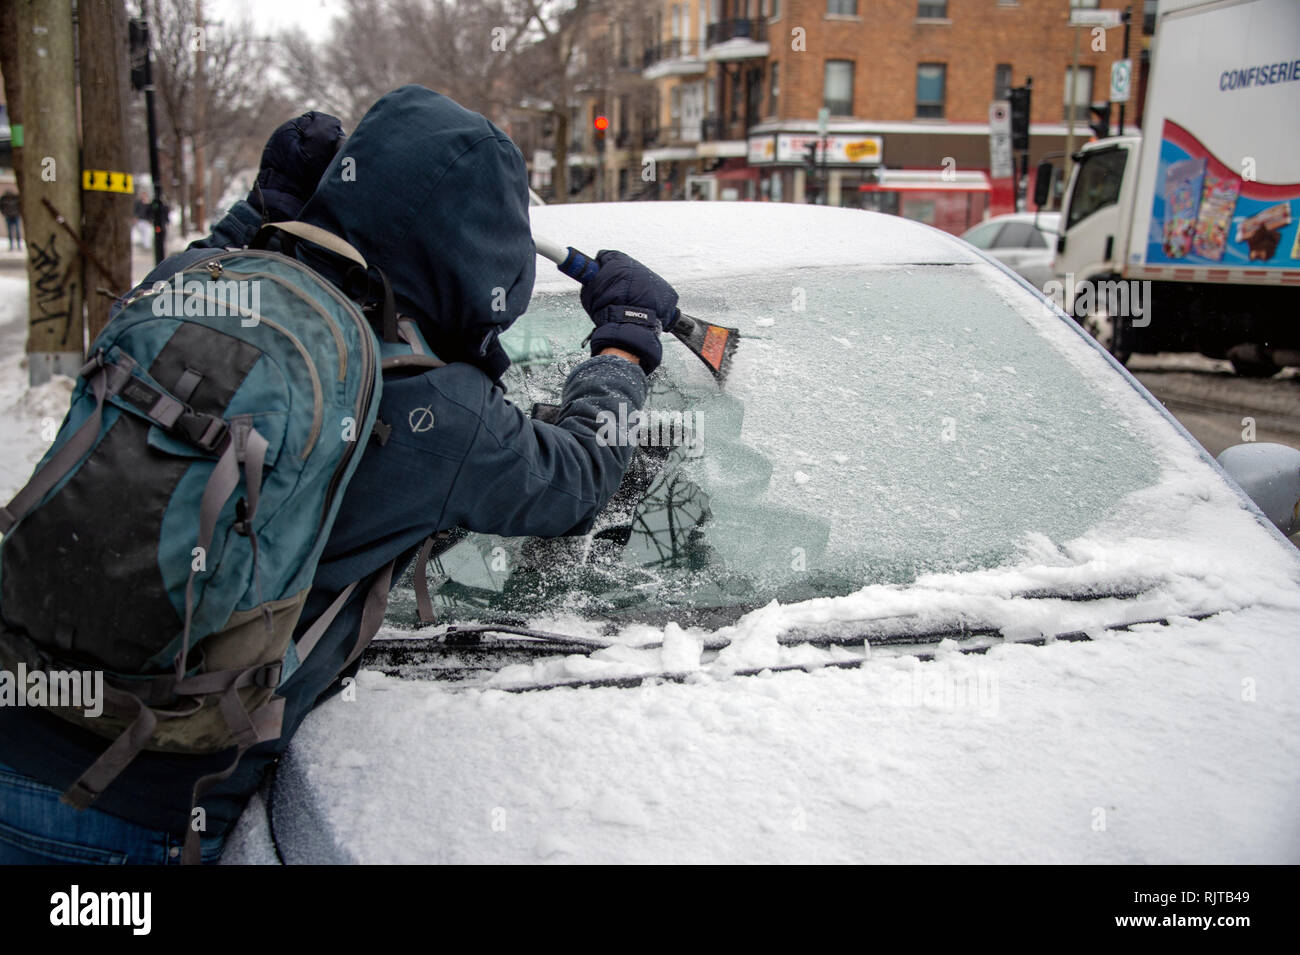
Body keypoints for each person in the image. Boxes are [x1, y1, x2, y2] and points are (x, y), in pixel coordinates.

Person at [0, 86, 679, 864]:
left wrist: (267, 210)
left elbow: (201, 267)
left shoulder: (195, 279)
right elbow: (582, 477)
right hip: (133, 809)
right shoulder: (442, 409)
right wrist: (625, 348)